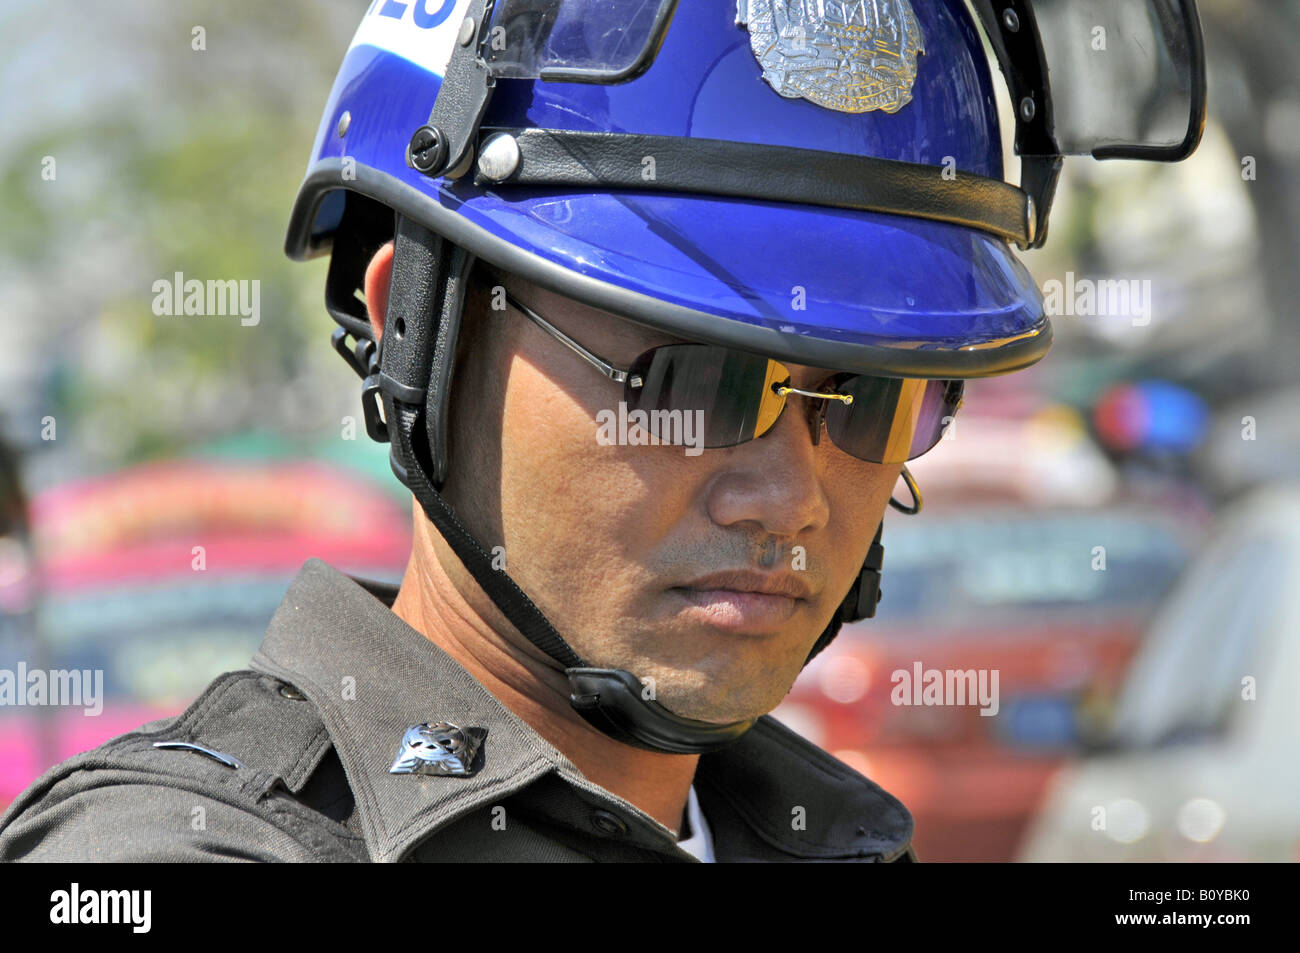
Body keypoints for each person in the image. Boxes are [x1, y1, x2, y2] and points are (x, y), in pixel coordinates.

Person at [0, 0, 1203, 862]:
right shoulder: (178, 846)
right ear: (417, 330)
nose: (786, 492)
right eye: (690, 377)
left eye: (873, 394)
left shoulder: (818, 826)